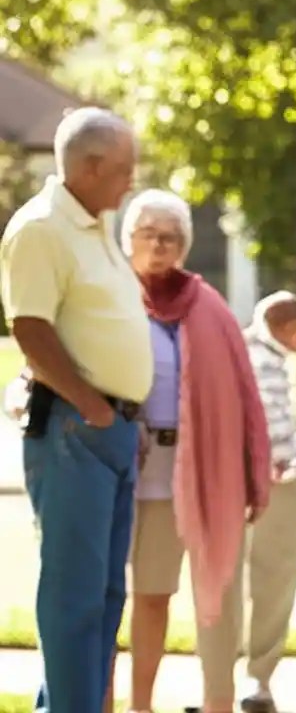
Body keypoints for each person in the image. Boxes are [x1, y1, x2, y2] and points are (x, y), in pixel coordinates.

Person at [0, 107, 152, 713]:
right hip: (72, 428)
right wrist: (93, 407)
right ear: (90, 167)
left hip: (110, 430)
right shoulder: (40, 229)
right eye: (123, 170)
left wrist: (122, 417)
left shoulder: (95, 227)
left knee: (107, 595)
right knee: (74, 597)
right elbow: (29, 328)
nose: (129, 182)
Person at [109, 189, 273, 713]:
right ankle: (128, 704)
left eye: (171, 236)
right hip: (126, 469)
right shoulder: (110, 297)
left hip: (203, 471)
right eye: (149, 234)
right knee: (127, 596)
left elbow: (246, 396)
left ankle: (211, 701)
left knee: (209, 594)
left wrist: (254, 471)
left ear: (185, 245)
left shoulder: (209, 307)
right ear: (127, 239)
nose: (159, 245)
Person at [238, 290, 296, 713]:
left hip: (238, 480)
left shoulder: (237, 350)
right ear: (290, 328)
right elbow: (272, 427)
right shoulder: (267, 361)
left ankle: (221, 677)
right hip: (275, 481)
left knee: (233, 580)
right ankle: (258, 679)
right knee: (275, 579)